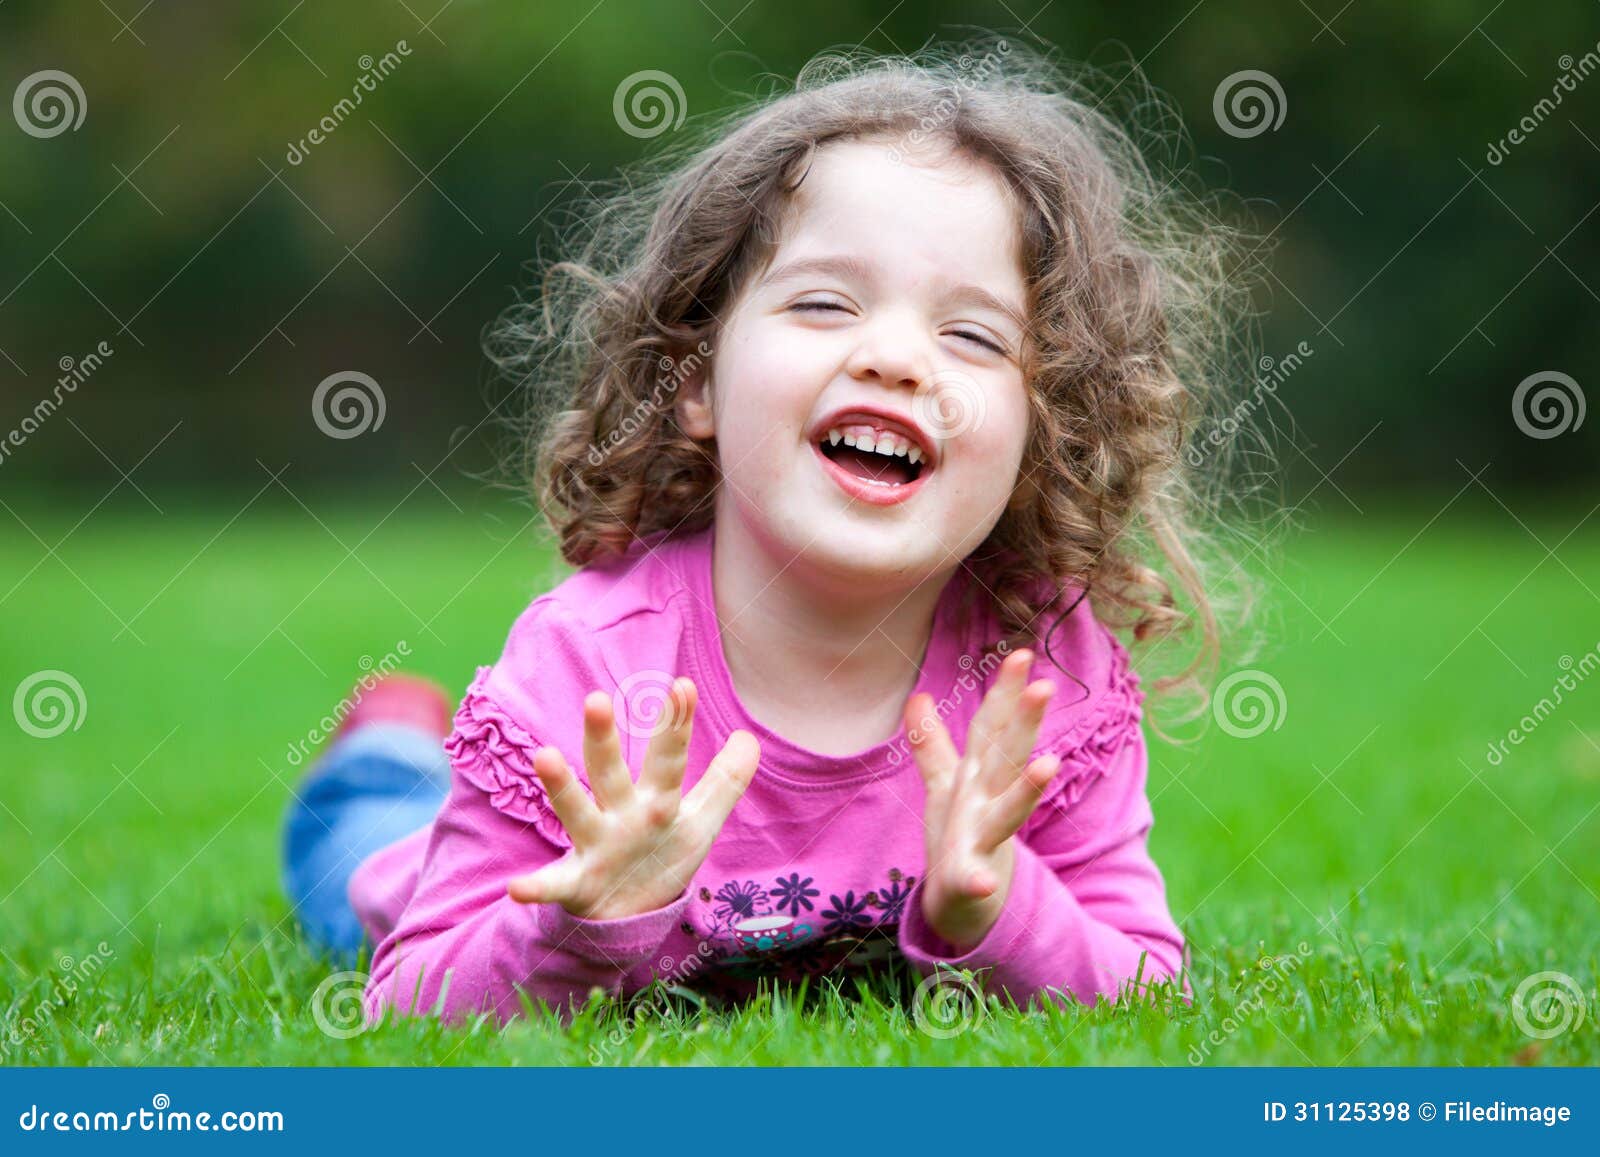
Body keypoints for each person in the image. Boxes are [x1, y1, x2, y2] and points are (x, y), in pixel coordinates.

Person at [281, 38, 1254, 1027]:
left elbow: (1147, 992)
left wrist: (1000, 901)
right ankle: (389, 751)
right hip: (433, 870)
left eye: (970, 335)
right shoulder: (589, 664)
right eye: (825, 303)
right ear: (697, 377)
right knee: (365, 852)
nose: (895, 357)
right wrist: (583, 926)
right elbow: (408, 997)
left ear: (1044, 427)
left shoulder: (1042, 677)